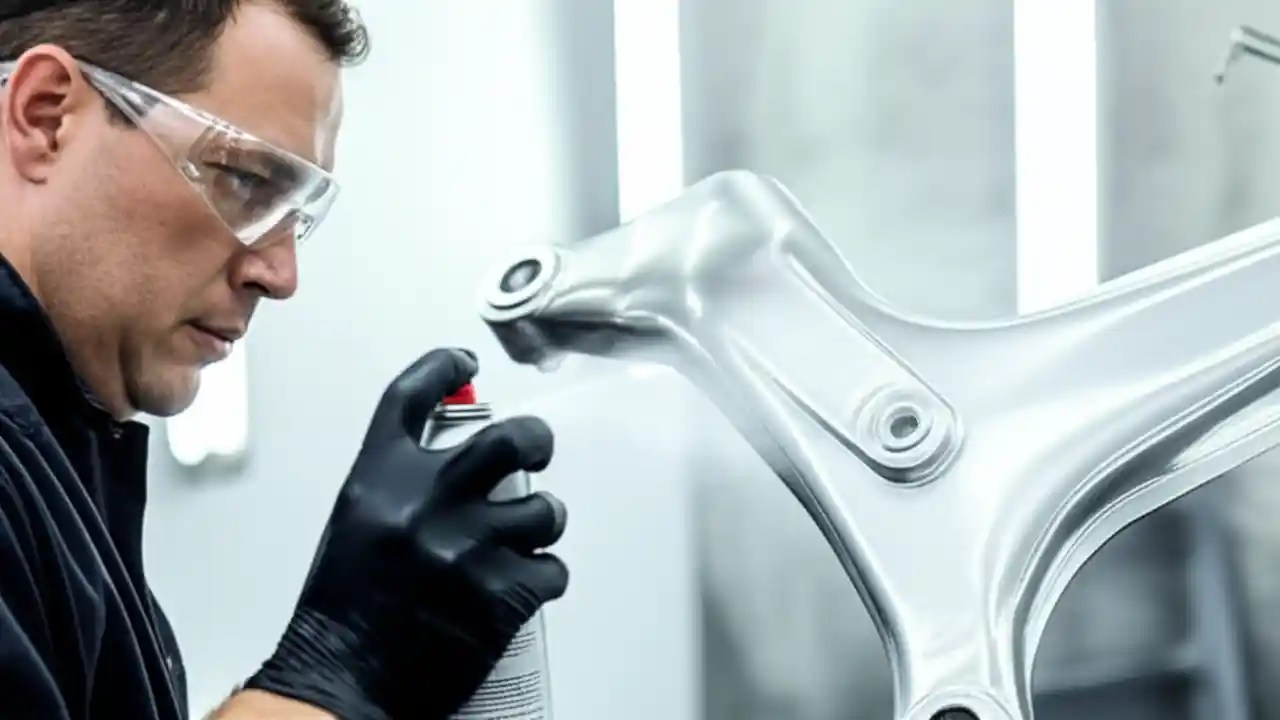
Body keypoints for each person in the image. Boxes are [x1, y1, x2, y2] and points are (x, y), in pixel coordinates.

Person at [0, 1, 571, 718]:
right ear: (46, 116)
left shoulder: (58, 454)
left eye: (297, 213)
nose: (279, 273)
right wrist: (343, 661)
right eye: (243, 180)